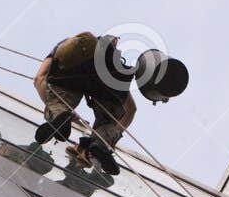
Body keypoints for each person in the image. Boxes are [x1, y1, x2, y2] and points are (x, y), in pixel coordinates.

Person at [32, 32, 188, 176]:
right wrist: (108, 138)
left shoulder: (65, 49)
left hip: (75, 67)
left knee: (59, 97)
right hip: (106, 78)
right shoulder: (114, 69)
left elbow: (39, 78)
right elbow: (130, 110)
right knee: (112, 115)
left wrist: (57, 111)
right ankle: (99, 144)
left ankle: (60, 116)